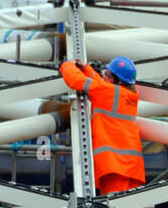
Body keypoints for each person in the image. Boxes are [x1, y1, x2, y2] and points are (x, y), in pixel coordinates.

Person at [59, 57, 145, 195]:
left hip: (114, 165)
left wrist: (66, 65)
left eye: (107, 73)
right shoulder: (128, 95)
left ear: (114, 80)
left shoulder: (108, 92)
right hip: (131, 166)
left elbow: (76, 81)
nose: (103, 75)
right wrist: (86, 68)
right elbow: (100, 83)